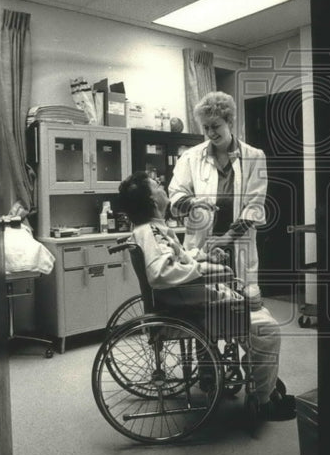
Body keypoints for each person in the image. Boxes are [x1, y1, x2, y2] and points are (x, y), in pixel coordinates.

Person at [118, 170, 296, 420]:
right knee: (267, 328)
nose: (162, 186)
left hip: (191, 300)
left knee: (256, 310)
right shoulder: (151, 232)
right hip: (193, 309)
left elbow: (175, 259)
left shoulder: (153, 229)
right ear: (152, 200)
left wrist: (202, 257)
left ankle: (258, 375)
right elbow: (160, 273)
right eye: (157, 185)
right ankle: (263, 400)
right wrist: (205, 269)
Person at [168, 91, 292, 417]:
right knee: (205, 311)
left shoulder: (254, 156)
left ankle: (255, 379)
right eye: (205, 128)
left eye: (216, 127)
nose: (210, 134)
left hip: (237, 250)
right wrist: (192, 203)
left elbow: (254, 207)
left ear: (230, 121)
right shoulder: (191, 157)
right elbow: (173, 197)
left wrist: (225, 239)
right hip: (200, 248)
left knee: (247, 314)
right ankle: (209, 374)